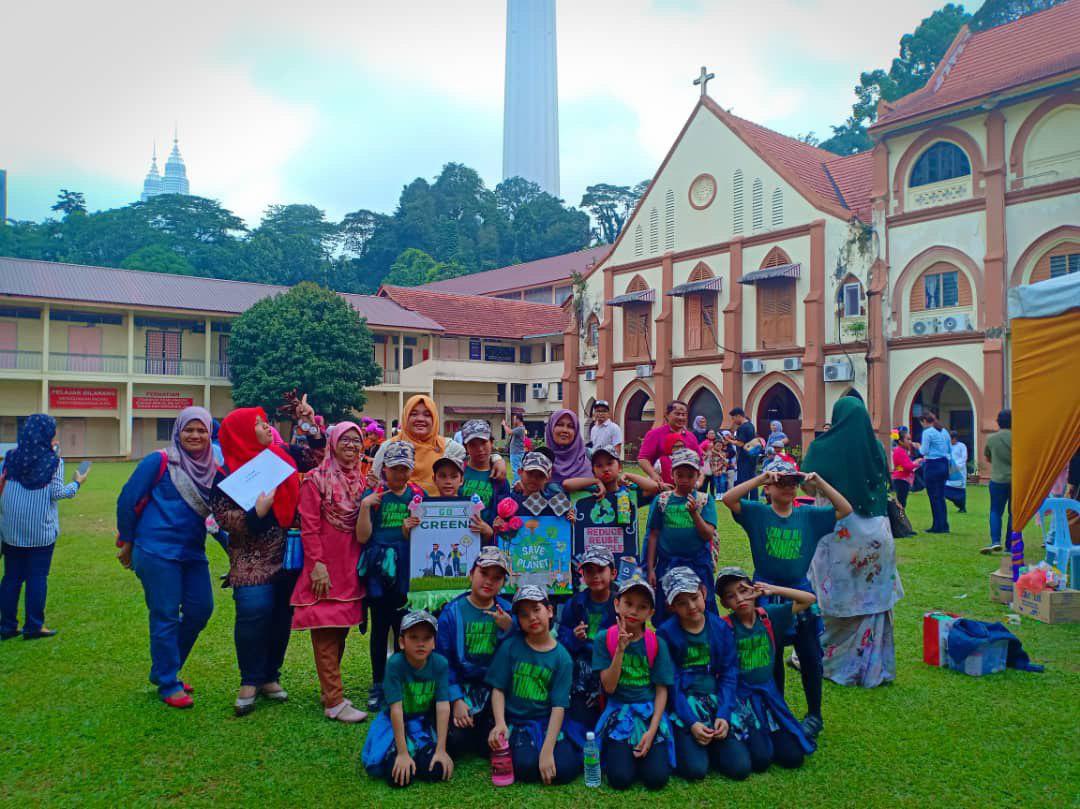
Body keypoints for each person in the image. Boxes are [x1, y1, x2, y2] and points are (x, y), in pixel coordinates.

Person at [721, 457, 852, 740]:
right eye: (781, 482)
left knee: (810, 655)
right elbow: (728, 499)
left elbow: (845, 508)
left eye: (793, 482)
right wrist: (760, 478)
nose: (788, 488)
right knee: (773, 655)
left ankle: (814, 714)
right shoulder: (758, 513)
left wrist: (818, 484)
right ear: (769, 487)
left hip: (798, 593)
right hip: (766, 594)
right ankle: (776, 709)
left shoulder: (808, 516)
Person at [212, 404, 325, 716]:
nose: (265, 428)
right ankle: (250, 679)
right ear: (243, 433)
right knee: (253, 611)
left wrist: (309, 425)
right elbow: (222, 515)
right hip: (251, 557)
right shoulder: (228, 471)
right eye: (259, 424)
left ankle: (270, 676)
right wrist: (256, 513)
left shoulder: (283, 456)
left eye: (264, 423)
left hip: (288, 553)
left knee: (280, 615)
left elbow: (317, 456)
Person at [116, 407, 222, 708]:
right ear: (179, 431)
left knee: (201, 609)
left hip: (191, 550)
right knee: (164, 614)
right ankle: (167, 680)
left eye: (201, 430)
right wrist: (127, 540)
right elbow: (128, 498)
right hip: (156, 549)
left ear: (209, 433)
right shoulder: (160, 461)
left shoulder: (213, 467)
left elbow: (219, 514)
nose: (195, 435)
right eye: (189, 429)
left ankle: (165, 667)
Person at [803, 397, 903, 690]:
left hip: (839, 533)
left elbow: (807, 484)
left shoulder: (822, 447)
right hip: (877, 536)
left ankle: (831, 659)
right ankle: (872, 665)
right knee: (872, 602)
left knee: (834, 594)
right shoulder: (877, 449)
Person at [291, 421, 368, 723]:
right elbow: (309, 526)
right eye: (345, 440)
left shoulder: (361, 481)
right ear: (333, 443)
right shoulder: (315, 479)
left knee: (340, 630)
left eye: (356, 441)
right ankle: (334, 701)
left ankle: (329, 690)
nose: (351, 446)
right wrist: (317, 565)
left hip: (351, 565)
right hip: (325, 566)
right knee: (325, 629)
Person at [715, 568, 815, 772]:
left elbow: (808, 599)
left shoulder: (769, 616)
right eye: (731, 596)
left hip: (768, 696)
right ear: (725, 603)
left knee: (793, 757)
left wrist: (772, 590)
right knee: (761, 760)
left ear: (753, 590)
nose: (740, 598)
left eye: (744, 590)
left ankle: (771, 734)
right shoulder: (724, 626)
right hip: (741, 699)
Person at [656, 567, 751, 782]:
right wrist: (692, 722)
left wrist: (724, 715)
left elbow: (728, 673)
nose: (691, 607)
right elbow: (672, 684)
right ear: (671, 606)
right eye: (681, 602)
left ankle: (716, 745)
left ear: (704, 593)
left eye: (694, 598)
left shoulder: (720, 628)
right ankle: (694, 742)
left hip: (716, 701)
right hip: (685, 706)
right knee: (695, 770)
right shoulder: (666, 634)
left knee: (740, 768)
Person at [1, 414, 88, 641]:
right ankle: (34, 627)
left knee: (11, 577)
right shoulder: (54, 462)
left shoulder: (10, 458)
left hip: (10, 530)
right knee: (37, 577)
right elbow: (58, 493)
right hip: (40, 531)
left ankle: (7, 626)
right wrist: (77, 482)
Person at [486, 585, 580, 785]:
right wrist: (500, 723)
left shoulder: (562, 658)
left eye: (537, 609)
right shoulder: (510, 647)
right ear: (518, 620)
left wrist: (547, 751)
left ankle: (547, 750)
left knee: (564, 769)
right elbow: (498, 688)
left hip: (547, 721)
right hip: (518, 723)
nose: (532, 618)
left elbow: (558, 706)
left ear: (550, 611)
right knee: (526, 767)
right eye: (524, 614)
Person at [357, 441, 425, 712]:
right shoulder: (373, 495)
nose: (399, 474)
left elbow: (423, 536)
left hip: (406, 570)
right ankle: (377, 682)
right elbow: (362, 537)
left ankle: (397, 681)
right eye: (394, 468)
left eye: (404, 469)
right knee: (380, 627)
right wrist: (364, 507)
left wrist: (410, 531)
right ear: (384, 467)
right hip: (378, 570)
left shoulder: (417, 496)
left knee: (403, 627)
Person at [592, 579, 675, 791]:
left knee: (657, 779)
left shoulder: (656, 643)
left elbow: (661, 690)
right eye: (628, 603)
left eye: (642, 607)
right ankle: (625, 754)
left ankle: (645, 750)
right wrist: (620, 651)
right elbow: (609, 688)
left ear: (650, 613)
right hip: (619, 712)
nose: (633, 611)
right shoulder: (604, 639)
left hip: (648, 712)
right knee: (620, 779)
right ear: (616, 604)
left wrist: (652, 730)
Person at [361, 610, 454, 787]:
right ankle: (400, 752)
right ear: (402, 642)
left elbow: (443, 706)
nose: (421, 644)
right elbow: (396, 710)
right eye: (413, 637)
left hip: (423, 723)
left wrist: (441, 749)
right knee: (396, 777)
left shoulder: (440, 664)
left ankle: (422, 752)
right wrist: (403, 753)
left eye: (427, 638)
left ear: (434, 642)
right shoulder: (395, 664)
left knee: (435, 771)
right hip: (395, 723)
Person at [438, 547, 514, 758]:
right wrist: (456, 700)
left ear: (502, 583)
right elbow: (443, 661)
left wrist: (509, 629)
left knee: (499, 742)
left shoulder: (507, 612)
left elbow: (519, 654)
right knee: (456, 742)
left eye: (496, 578)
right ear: (471, 573)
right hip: (464, 687)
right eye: (483, 574)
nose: (489, 582)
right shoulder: (451, 612)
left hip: (497, 690)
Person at [645, 448, 719, 625]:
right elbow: (653, 535)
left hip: (698, 565)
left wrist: (694, 514)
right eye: (680, 475)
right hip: (667, 565)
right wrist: (650, 569)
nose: (685, 480)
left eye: (690, 475)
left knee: (700, 608)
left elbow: (707, 534)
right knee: (669, 609)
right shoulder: (663, 500)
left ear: (698, 475)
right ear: (672, 474)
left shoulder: (704, 500)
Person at [557, 547, 618, 747]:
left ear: (613, 573)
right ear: (582, 575)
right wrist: (574, 638)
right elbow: (562, 638)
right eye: (589, 571)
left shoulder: (621, 603)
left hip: (613, 669)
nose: (595, 576)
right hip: (582, 675)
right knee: (579, 722)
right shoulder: (575, 604)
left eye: (601, 570)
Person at [458, 420, 511, 542]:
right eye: (473, 444)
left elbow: (506, 514)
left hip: (491, 543)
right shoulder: (458, 473)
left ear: (491, 443)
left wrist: (492, 530)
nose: (480, 449)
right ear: (466, 447)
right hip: (461, 539)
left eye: (483, 442)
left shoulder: (499, 477)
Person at [638, 401, 702, 487]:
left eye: (684, 414)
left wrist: (699, 482)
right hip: (660, 485)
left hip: (686, 486)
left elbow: (700, 462)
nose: (681, 417)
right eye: (677, 414)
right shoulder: (654, 434)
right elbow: (643, 459)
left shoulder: (691, 436)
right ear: (667, 415)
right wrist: (654, 475)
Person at [982, 409, 1013, 554]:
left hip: (997, 479)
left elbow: (988, 458)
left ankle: (995, 541)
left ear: (998, 422)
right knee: (1013, 513)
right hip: (1015, 480)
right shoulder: (1017, 437)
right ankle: (1010, 544)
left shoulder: (991, 438)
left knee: (995, 511)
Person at [918, 411, 952, 534]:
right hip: (943, 464)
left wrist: (918, 447)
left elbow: (924, 450)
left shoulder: (927, 432)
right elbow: (949, 449)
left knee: (933, 497)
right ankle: (944, 524)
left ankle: (937, 526)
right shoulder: (943, 431)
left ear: (925, 421)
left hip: (933, 465)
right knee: (941, 497)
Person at [545, 409, 594, 490]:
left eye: (570, 426)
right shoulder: (541, 459)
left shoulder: (591, 456)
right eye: (560, 425)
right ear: (551, 428)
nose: (565, 430)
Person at [726, 408, 759, 500]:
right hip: (752, 457)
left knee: (743, 480)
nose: (733, 421)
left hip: (744, 458)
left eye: (733, 418)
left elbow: (741, 443)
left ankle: (743, 499)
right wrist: (733, 438)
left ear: (738, 416)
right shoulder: (750, 425)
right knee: (752, 479)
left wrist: (729, 441)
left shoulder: (742, 427)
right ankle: (754, 499)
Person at [891, 428, 922, 509]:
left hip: (901, 478)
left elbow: (901, 466)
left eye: (910, 439)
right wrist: (916, 463)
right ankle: (900, 519)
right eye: (908, 439)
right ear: (901, 441)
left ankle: (900, 519)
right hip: (901, 479)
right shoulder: (900, 451)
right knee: (901, 504)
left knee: (901, 502)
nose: (910, 441)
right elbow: (907, 467)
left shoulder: (901, 451)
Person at [945, 431, 968, 513]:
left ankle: (962, 507)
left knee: (960, 489)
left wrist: (956, 466)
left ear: (954, 439)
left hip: (960, 471)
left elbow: (964, 458)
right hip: (950, 471)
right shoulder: (948, 446)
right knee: (946, 487)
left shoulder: (962, 446)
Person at [502, 412, 527, 486]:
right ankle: (519, 484)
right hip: (517, 452)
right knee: (518, 469)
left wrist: (504, 425)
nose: (513, 421)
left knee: (515, 470)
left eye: (514, 419)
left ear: (518, 420)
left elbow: (509, 432)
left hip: (516, 453)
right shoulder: (520, 429)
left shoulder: (520, 429)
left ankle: (515, 485)